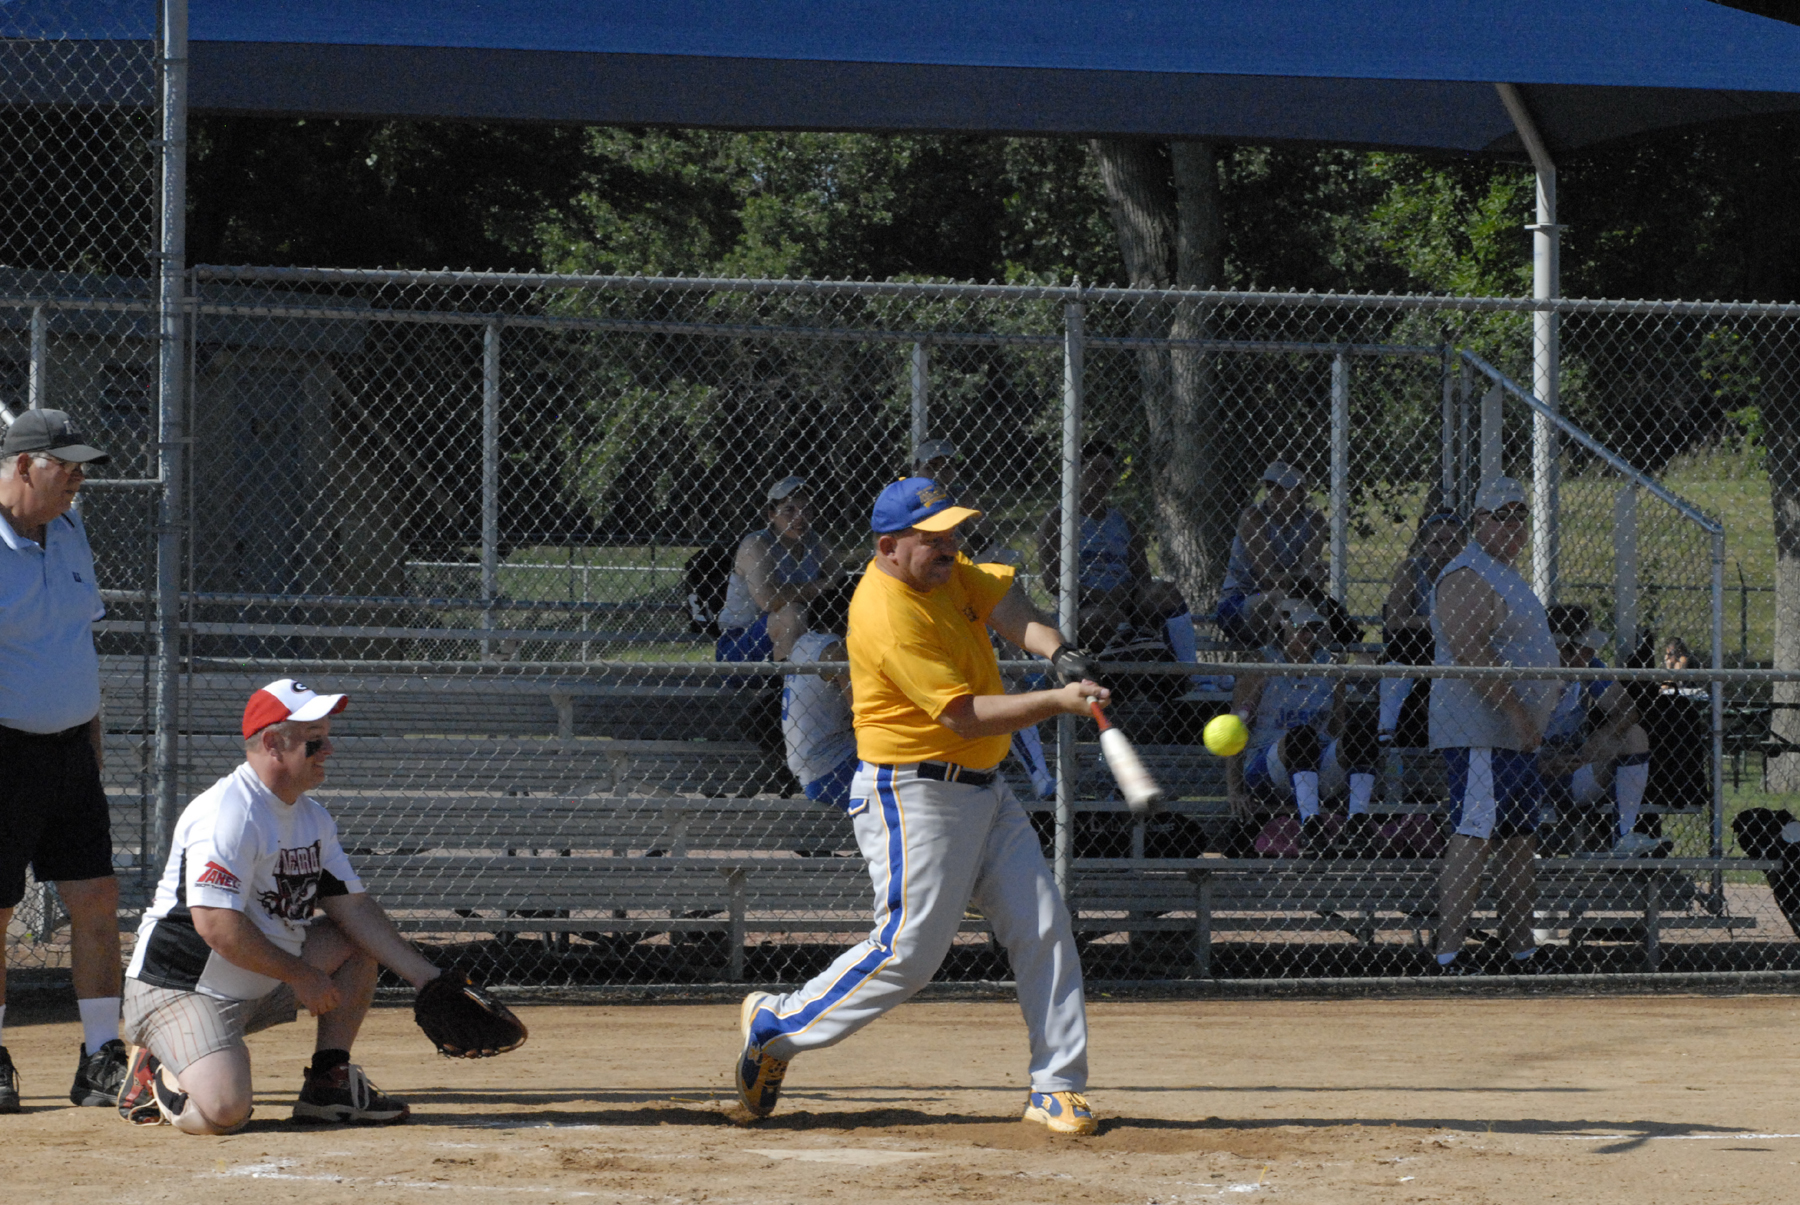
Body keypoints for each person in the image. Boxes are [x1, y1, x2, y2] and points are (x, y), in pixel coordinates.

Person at [735, 476, 1110, 1135]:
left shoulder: (948, 571)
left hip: (987, 790)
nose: (950, 545)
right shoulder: (885, 614)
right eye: (933, 537)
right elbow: (964, 715)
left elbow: (1006, 600)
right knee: (908, 952)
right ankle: (777, 1023)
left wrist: (1058, 651)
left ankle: (1058, 1085)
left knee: (1044, 924)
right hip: (915, 793)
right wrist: (1057, 701)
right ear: (888, 547)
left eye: (953, 531)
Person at [115, 680, 446, 1133]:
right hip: (183, 989)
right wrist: (302, 975)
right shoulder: (227, 814)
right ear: (273, 743)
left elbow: (355, 908)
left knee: (358, 939)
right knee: (223, 1114)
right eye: (316, 738)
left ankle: (329, 1081)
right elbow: (217, 927)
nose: (329, 748)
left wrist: (429, 980)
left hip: (259, 979)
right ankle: (158, 1064)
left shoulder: (312, 818)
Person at [0, 409, 124, 1115]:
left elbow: (78, 642)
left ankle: (100, 1055)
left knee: (97, 899)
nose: (78, 478)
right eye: (65, 465)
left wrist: (92, 744)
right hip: (4, 748)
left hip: (72, 748)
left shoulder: (70, 529)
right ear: (22, 466)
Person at [1428, 477, 1559, 975]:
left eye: (1519, 516)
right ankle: (1447, 956)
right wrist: (1518, 710)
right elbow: (1470, 652)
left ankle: (1522, 951)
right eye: (1499, 516)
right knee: (1476, 831)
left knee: (1520, 836)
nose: (1511, 525)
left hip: (1512, 735)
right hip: (1480, 731)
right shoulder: (1465, 574)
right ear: (1478, 522)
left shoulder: (1506, 574)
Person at [1225, 600, 1379, 858]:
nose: (1306, 635)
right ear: (1283, 625)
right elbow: (1235, 729)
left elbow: (1337, 728)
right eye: (1299, 627)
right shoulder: (1262, 663)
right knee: (1301, 736)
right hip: (1268, 766)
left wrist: (1347, 753)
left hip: (1315, 763)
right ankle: (1311, 824)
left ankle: (1358, 821)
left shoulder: (1329, 667)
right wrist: (1234, 788)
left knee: (1360, 733)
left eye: (1313, 628)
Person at [1036, 440, 1197, 666]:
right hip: (1084, 605)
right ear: (1077, 473)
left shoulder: (1123, 522)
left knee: (1165, 592)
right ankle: (1129, 672)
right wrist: (1095, 594)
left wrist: (1129, 592)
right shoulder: (1056, 521)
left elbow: (1143, 576)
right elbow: (1052, 581)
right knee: (1102, 618)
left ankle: (1192, 670)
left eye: (1109, 472)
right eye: (1095, 471)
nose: (1102, 479)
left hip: (1126, 600)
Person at [1536, 607, 1660, 857]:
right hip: (1529, 776)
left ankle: (1623, 836)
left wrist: (1602, 736)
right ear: (1561, 646)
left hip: (1573, 769)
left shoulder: (1589, 667)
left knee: (1634, 735)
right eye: (1583, 646)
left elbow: (1628, 710)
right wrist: (1543, 763)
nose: (1591, 651)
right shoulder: (1531, 668)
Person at [716, 475, 843, 667]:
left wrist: (830, 588)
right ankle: (783, 690)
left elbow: (842, 587)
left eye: (806, 509)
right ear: (772, 514)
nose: (799, 517)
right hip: (739, 644)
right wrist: (822, 586)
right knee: (792, 613)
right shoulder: (757, 544)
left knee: (841, 617)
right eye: (789, 510)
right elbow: (768, 598)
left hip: (803, 632)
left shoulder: (816, 543)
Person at [1379, 510, 1468, 751]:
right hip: (1418, 643)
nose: (1445, 549)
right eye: (1437, 542)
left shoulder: (1469, 573)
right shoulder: (1412, 570)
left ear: (1463, 545)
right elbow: (1395, 621)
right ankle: (1386, 729)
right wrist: (1436, 621)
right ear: (1425, 544)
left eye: (1452, 542)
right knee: (1400, 649)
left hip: (1457, 643)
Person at [1216, 461, 1328, 647]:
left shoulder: (1314, 521)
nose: (1274, 494)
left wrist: (1315, 575)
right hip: (1243, 599)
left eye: (1282, 488)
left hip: (1293, 597)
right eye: (1270, 487)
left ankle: (1323, 666)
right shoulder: (1254, 517)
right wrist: (1308, 576)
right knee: (1280, 598)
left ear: (1300, 492)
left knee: (1320, 605)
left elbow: (1308, 577)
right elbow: (1268, 578)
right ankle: (1273, 661)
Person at [780, 580, 858, 809]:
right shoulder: (835, 652)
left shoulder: (806, 641)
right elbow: (865, 711)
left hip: (815, 763)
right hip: (829, 769)